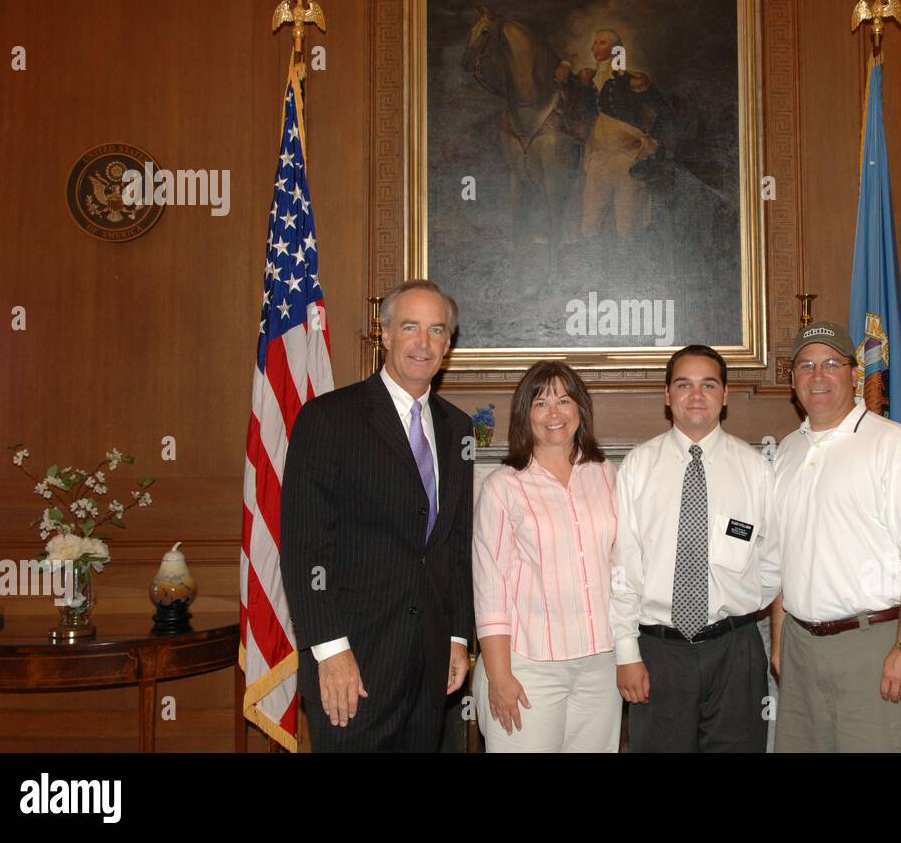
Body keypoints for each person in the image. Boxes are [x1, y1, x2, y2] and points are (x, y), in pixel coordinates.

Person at [280, 279, 474, 752]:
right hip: (353, 660)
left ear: (448, 345)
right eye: (410, 327)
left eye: (436, 330)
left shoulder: (457, 428)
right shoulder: (328, 418)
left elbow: (455, 543)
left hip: (429, 663)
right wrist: (330, 650)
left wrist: (456, 635)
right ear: (384, 334)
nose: (423, 343)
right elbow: (305, 547)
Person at [771, 322, 901, 752]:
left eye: (832, 363)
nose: (818, 375)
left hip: (876, 646)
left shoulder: (893, 445)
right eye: (806, 366)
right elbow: (781, 560)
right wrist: (778, 644)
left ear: (854, 374)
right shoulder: (785, 453)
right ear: (792, 380)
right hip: (801, 651)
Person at [610, 344, 778, 752]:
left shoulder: (755, 468)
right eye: (684, 385)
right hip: (658, 653)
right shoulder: (638, 467)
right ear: (667, 395)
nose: (696, 395)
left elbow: (773, 560)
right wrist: (626, 651)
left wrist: (740, 608)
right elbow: (624, 568)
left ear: (725, 395)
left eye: (708, 384)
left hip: (736, 650)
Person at [471, 361, 622, 752]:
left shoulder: (608, 474)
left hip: (601, 666)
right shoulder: (502, 487)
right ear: (525, 415)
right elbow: (491, 589)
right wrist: (499, 676)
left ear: (580, 410)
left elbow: (624, 565)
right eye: (540, 403)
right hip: (527, 665)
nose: (554, 413)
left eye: (564, 400)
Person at [555, 29, 669, 239]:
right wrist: (566, 65)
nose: (596, 47)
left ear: (616, 49)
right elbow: (569, 98)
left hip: (628, 159)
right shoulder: (587, 79)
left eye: (603, 42)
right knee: (590, 225)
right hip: (599, 159)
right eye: (596, 42)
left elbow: (663, 111)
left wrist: (650, 151)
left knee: (628, 227)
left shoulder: (631, 79)